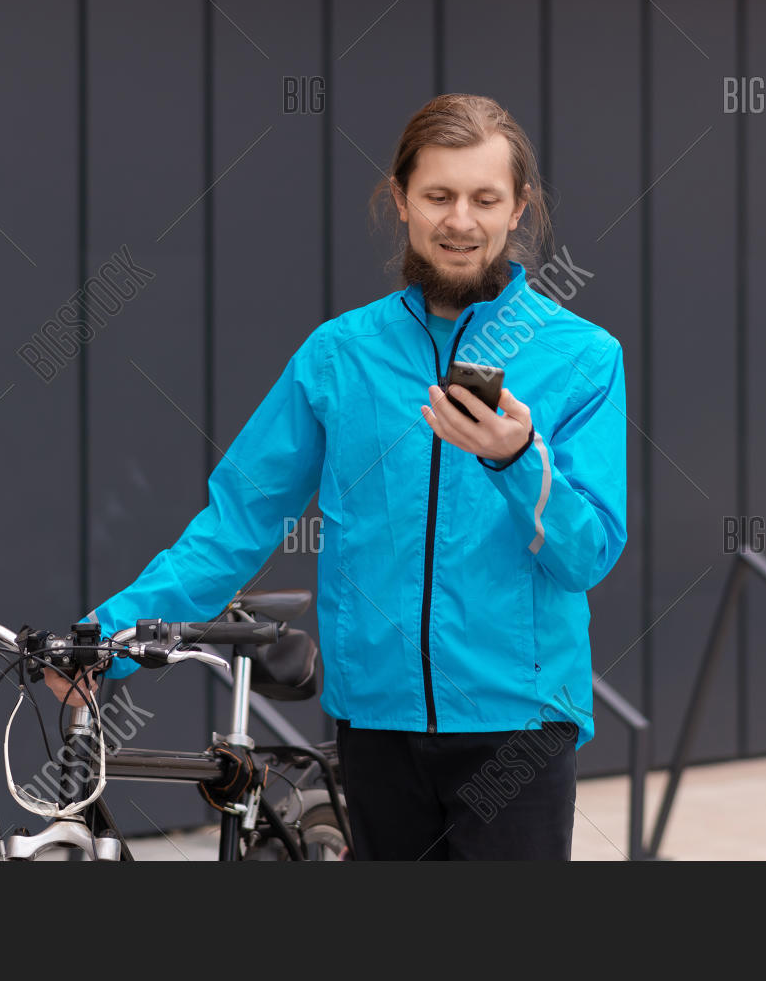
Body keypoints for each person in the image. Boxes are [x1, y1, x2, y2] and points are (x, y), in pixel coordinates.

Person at [47, 92, 628, 859]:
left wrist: (517, 459)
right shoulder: (339, 354)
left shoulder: (584, 356)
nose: (461, 220)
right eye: (439, 195)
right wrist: (107, 636)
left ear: (519, 206)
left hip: (518, 727)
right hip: (377, 723)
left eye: (485, 198)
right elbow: (239, 519)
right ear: (401, 198)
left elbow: (587, 555)